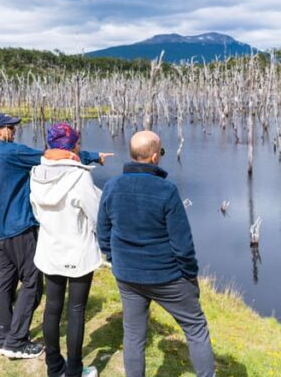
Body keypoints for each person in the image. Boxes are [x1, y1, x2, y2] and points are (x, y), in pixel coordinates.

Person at [0, 112, 111, 360]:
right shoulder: (10, 152)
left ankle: (3, 335)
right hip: (19, 228)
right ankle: (16, 341)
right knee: (32, 283)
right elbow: (51, 156)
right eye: (10, 128)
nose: (14, 132)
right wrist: (92, 157)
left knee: (5, 282)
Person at [97, 131, 215, 377]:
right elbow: (182, 244)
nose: (160, 157)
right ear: (153, 157)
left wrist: (114, 259)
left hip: (128, 276)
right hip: (167, 277)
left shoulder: (111, 186)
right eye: (160, 152)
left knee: (133, 334)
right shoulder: (167, 190)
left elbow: (103, 232)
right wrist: (190, 276)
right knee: (195, 327)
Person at [30, 122, 102, 377]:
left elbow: (37, 212)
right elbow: (95, 215)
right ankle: (74, 370)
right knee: (76, 310)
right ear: (71, 146)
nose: (80, 146)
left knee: (52, 308)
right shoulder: (79, 175)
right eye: (78, 142)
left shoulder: (37, 172)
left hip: (50, 249)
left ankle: (53, 366)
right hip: (78, 253)